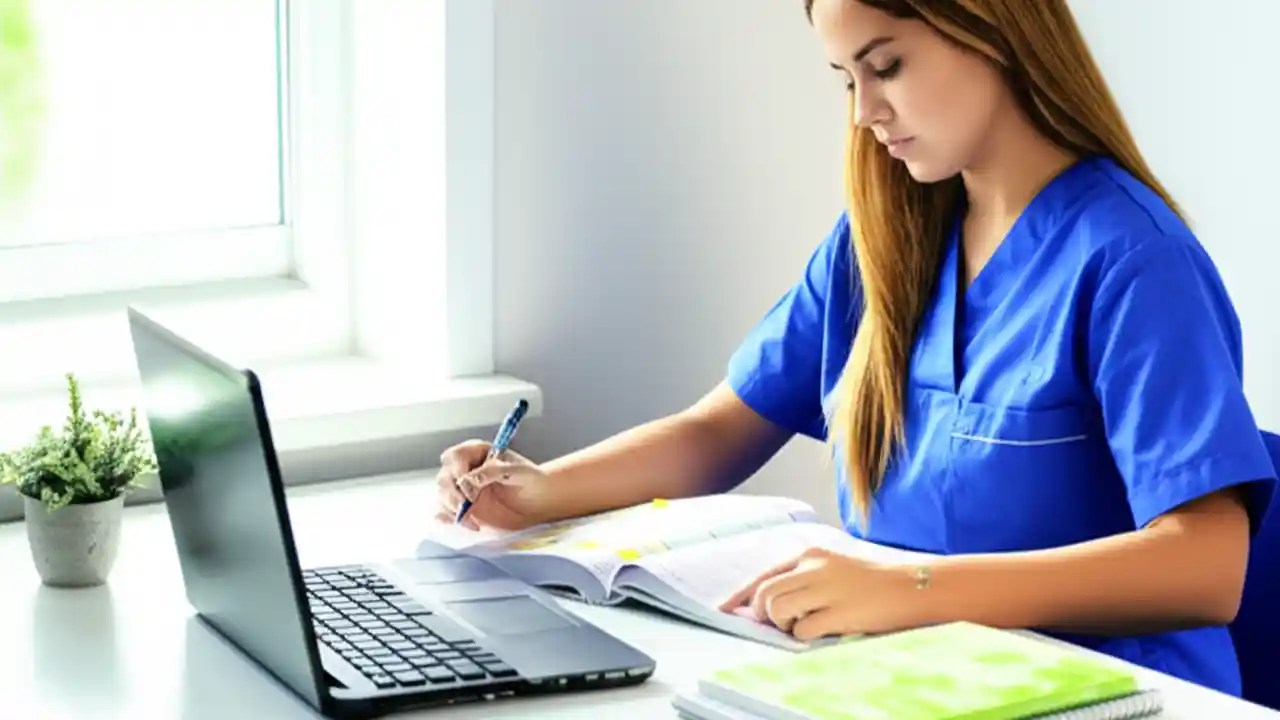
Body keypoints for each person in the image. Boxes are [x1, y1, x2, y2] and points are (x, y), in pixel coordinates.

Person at [433, 0, 1277, 697]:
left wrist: (909, 594)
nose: (864, 112)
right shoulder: (881, 241)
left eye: (887, 67)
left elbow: (1205, 565)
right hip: (909, 680)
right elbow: (718, 431)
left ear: (994, 25)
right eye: (845, 79)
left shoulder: (1135, 262)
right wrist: (544, 489)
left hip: (1110, 697)